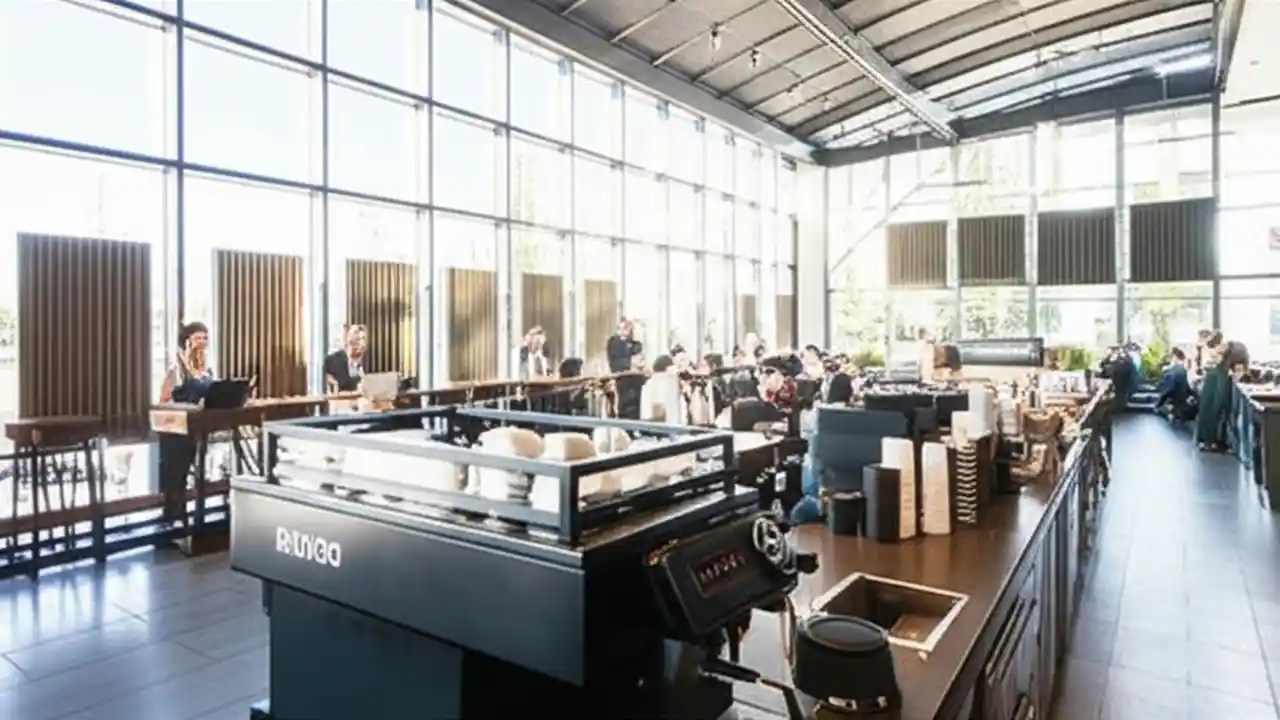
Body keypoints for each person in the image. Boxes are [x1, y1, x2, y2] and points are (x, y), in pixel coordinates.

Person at [158, 321, 215, 525]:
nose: (203, 342)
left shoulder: (206, 370)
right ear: (187, 341)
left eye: (205, 338)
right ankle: (174, 512)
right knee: (177, 471)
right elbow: (163, 401)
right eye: (198, 338)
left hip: (196, 425)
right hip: (176, 429)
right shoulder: (176, 370)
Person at [1195, 331, 1229, 452]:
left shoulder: (1205, 349)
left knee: (1208, 410)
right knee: (1212, 410)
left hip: (1211, 381)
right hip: (1214, 382)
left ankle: (1206, 439)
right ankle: (1209, 440)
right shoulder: (1214, 351)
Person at [607, 319, 644, 419]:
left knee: (635, 406)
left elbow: (638, 354)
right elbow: (616, 362)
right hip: (622, 379)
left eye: (630, 329)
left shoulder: (634, 344)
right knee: (624, 405)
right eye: (625, 328)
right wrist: (631, 363)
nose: (627, 332)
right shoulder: (615, 342)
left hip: (635, 381)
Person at [324, 324, 367, 393]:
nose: (361, 344)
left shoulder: (370, 362)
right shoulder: (332, 361)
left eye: (363, 339)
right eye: (357, 339)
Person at [1154, 348, 1194, 422]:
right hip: (1178, 395)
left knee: (1165, 405)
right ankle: (1174, 413)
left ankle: (1172, 413)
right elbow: (1184, 385)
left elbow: (1169, 386)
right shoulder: (1180, 370)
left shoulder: (1173, 369)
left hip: (1173, 394)